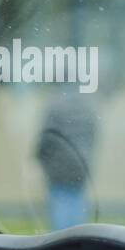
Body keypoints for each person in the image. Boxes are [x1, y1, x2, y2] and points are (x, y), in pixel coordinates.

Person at [35, 92, 97, 230]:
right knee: (77, 204)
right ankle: (79, 240)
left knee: (60, 204)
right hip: (81, 165)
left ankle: (61, 244)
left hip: (58, 166)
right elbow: (93, 134)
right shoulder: (87, 105)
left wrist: (39, 157)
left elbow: (47, 136)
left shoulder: (55, 105)